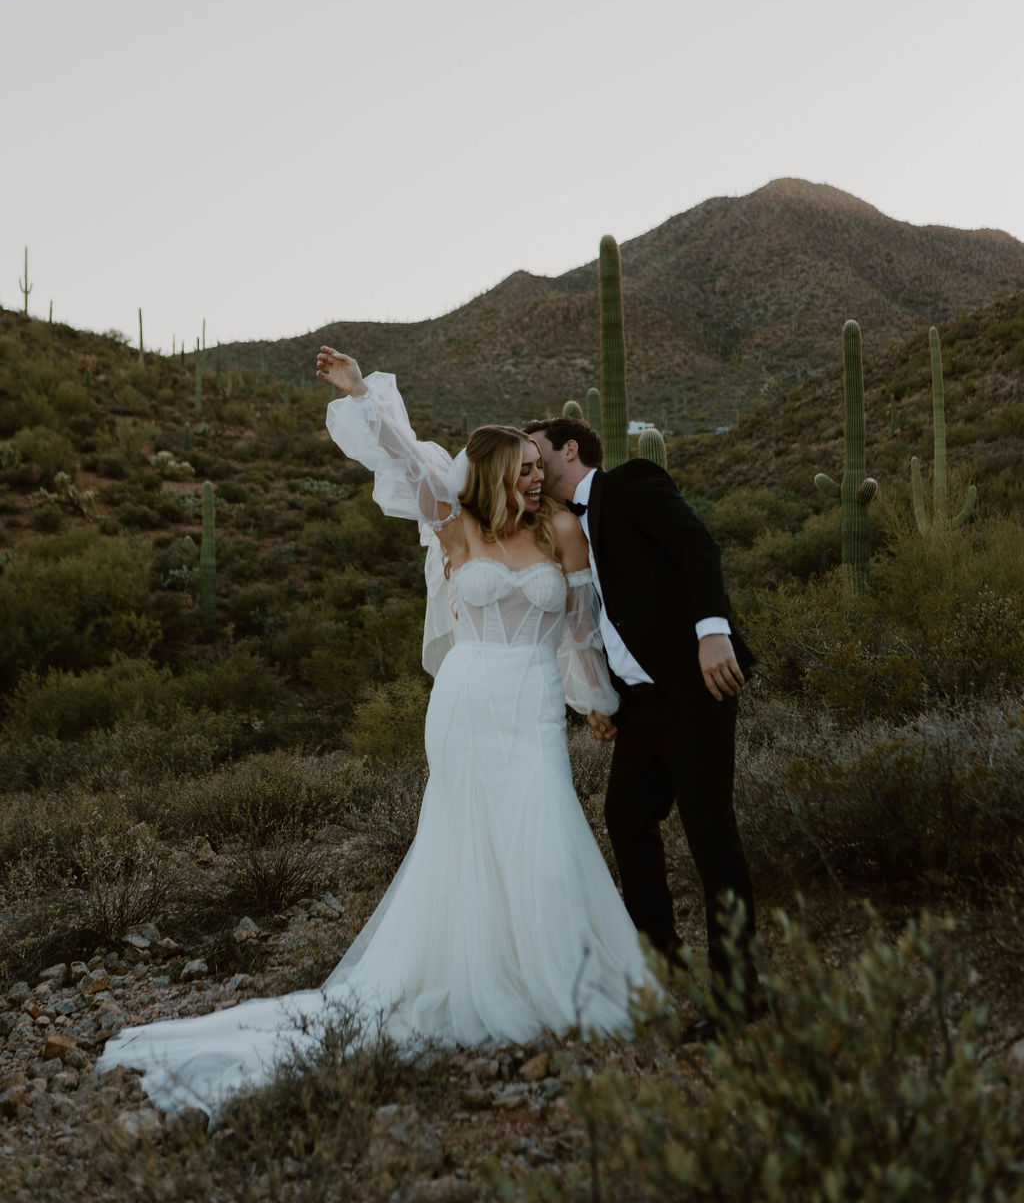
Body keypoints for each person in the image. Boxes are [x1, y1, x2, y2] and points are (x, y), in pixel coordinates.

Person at [95, 355, 650, 1118]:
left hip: (532, 700)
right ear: (493, 472)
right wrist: (362, 393)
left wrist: (597, 701)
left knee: (543, 820)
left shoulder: (561, 532)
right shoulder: (455, 527)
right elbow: (406, 459)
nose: (536, 477)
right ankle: (481, 970)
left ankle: (550, 969)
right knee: (468, 833)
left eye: (538, 466)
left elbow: (580, 630)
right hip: (467, 700)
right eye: (523, 467)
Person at [522, 414, 762, 1038]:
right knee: (626, 820)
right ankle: (661, 957)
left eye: (537, 453)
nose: (531, 466)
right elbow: (595, 618)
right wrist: (602, 698)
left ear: (568, 450)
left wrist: (712, 633)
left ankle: (740, 994)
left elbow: (697, 544)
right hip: (640, 705)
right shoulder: (561, 526)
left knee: (711, 836)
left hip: (694, 687)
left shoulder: (631, 482)